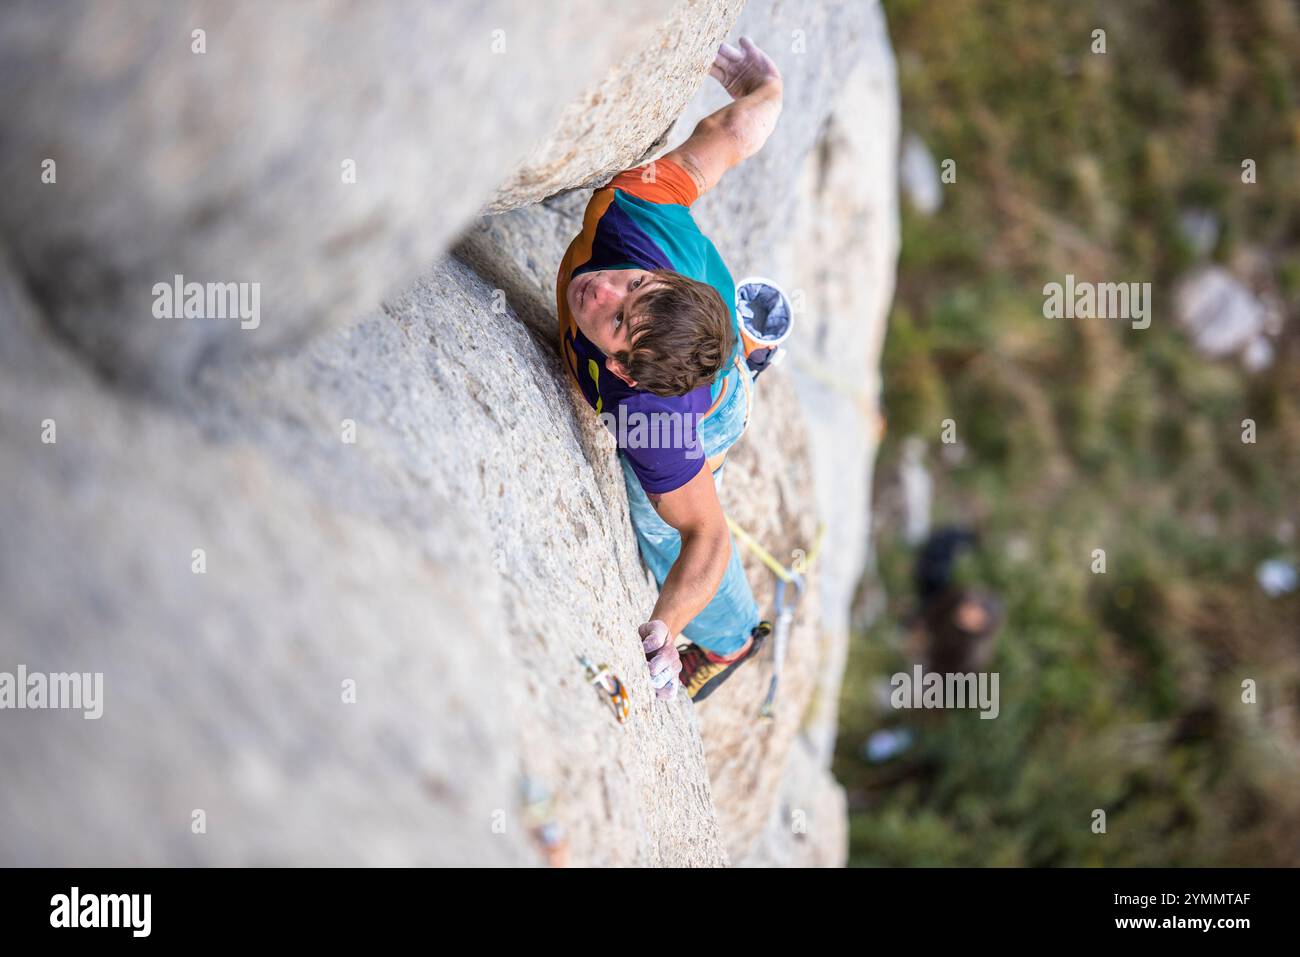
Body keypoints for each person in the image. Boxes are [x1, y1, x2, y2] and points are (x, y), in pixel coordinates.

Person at [554, 38, 784, 701]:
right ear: (653, 271)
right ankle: (743, 350)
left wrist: (668, 622)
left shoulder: (653, 425)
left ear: (625, 375)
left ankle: (731, 637)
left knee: (656, 520)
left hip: (703, 417)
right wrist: (765, 87)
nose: (601, 293)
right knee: (707, 344)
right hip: (702, 329)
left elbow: (702, 533)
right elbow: (729, 134)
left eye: (616, 324)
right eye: (633, 287)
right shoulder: (638, 211)